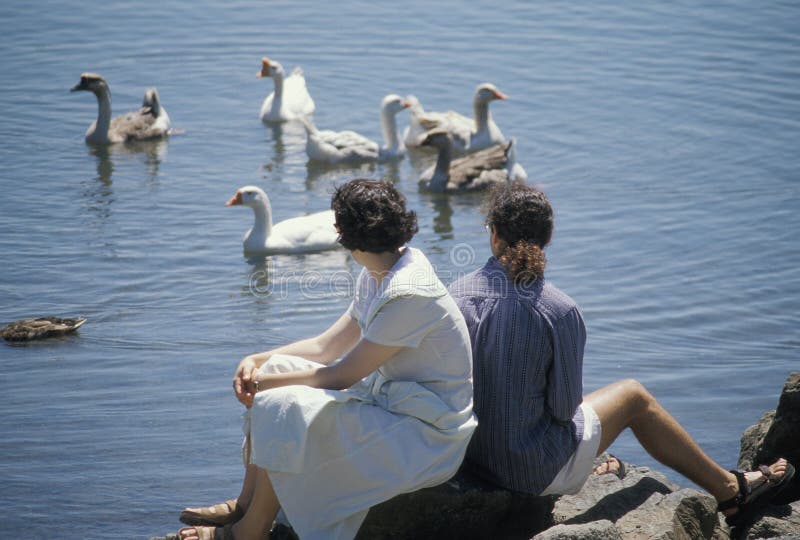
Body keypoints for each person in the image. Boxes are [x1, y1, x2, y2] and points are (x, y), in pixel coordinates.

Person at [448, 182, 794, 528]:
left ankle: (608, 463)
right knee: (633, 397)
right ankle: (730, 489)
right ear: (548, 238)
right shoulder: (558, 309)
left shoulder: (455, 296)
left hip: (469, 460)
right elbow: (564, 410)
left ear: (493, 234)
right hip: (528, 472)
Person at [178, 179, 477, 540]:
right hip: (396, 407)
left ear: (347, 234)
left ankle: (249, 530)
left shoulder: (408, 292)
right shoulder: (380, 272)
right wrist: (257, 360)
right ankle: (245, 504)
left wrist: (259, 386)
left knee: (282, 401)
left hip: (426, 434)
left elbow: (340, 376)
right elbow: (325, 347)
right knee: (276, 374)